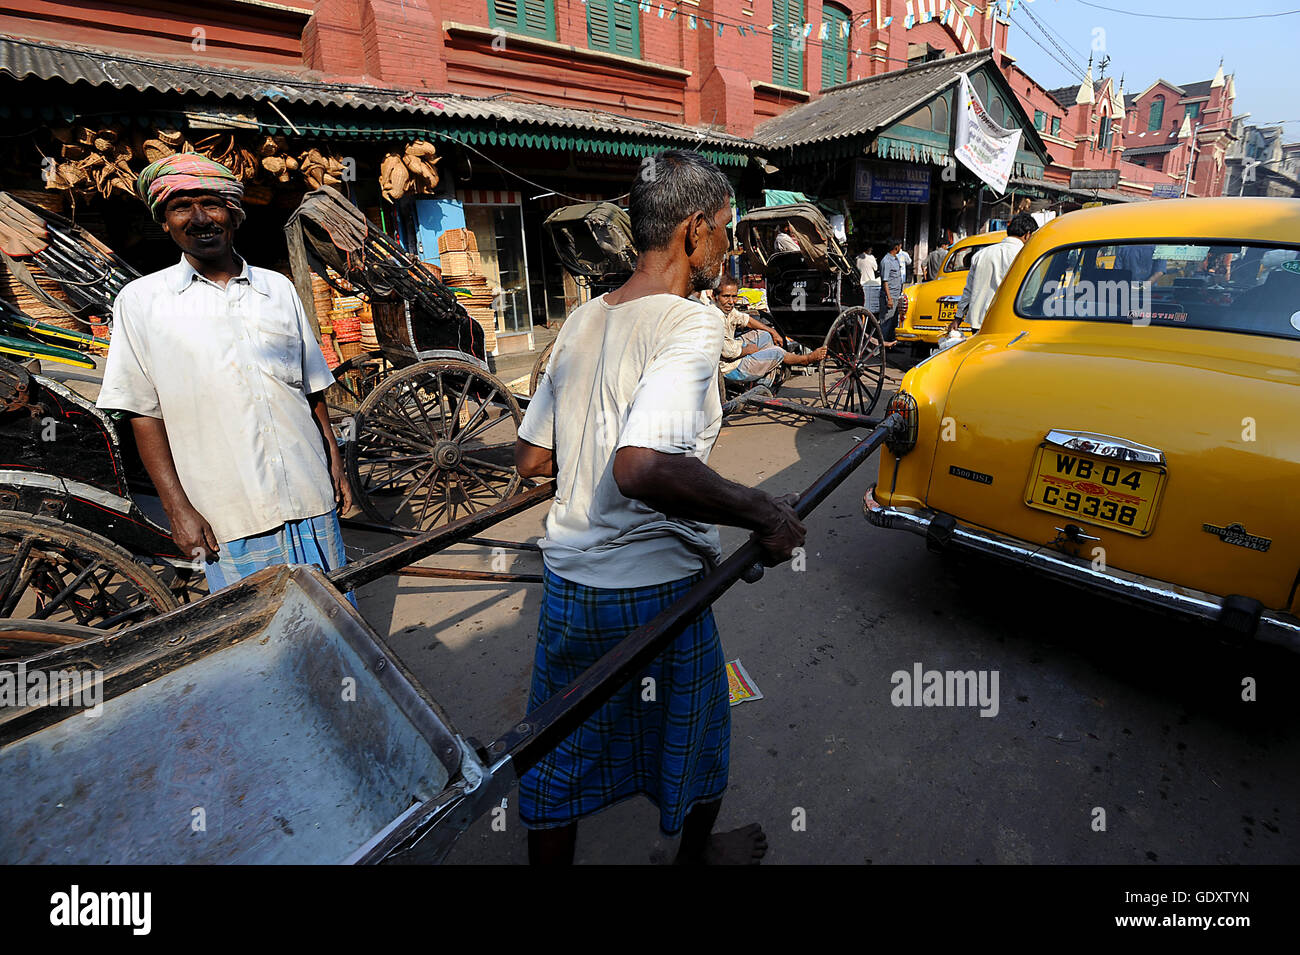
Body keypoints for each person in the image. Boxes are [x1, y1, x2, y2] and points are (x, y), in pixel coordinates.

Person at [513, 149, 806, 865]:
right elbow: (642, 465)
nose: (728, 248)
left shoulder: (584, 317)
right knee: (702, 734)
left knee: (558, 758)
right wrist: (764, 512)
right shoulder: (691, 323)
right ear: (693, 230)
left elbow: (533, 460)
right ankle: (695, 857)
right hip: (655, 591)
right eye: (726, 231)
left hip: (569, 588)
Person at [97, 154, 353, 595]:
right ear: (165, 222)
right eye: (181, 207)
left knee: (338, 620)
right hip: (228, 512)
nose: (199, 219)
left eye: (211, 204)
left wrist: (334, 459)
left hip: (308, 494)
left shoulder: (278, 289)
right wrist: (176, 508)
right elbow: (143, 412)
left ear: (233, 213)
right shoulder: (141, 302)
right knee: (259, 640)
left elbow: (311, 386)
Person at [715, 276, 824, 385]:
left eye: (734, 297)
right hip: (729, 368)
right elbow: (729, 352)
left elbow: (746, 320)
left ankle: (763, 373)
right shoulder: (716, 317)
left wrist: (773, 332)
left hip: (733, 351)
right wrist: (748, 350)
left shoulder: (727, 310)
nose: (731, 301)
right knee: (777, 352)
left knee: (766, 335)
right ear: (715, 297)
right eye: (726, 296)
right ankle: (805, 359)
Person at [951, 213, 1039, 333]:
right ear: (1027, 234)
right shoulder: (1025, 256)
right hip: (1007, 323)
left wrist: (958, 318)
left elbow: (968, 290)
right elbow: (1030, 294)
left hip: (979, 322)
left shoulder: (980, 255)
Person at [879, 238, 905, 347]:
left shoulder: (895, 259)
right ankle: (881, 347)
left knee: (893, 322)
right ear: (896, 247)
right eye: (900, 246)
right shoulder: (886, 261)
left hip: (896, 295)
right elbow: (885, 281)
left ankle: (891, 345)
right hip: (889, 296)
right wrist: (889, 298)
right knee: (885, 323)